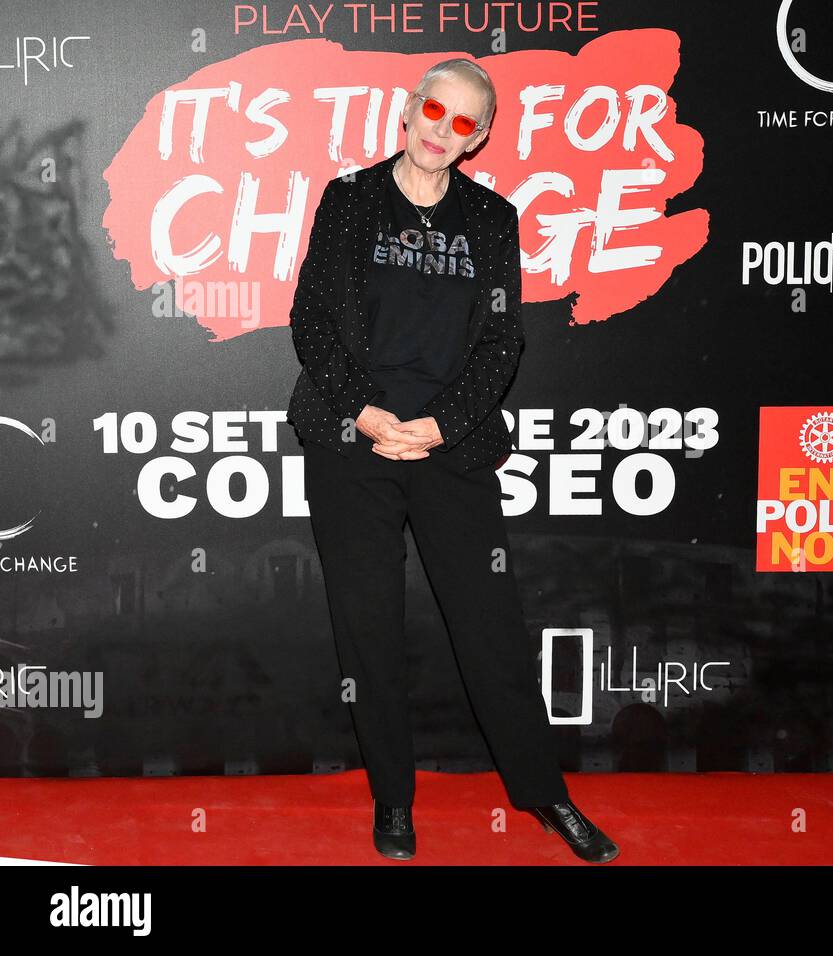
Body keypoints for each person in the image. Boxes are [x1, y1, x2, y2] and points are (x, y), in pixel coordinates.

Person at [286, 57, 618, 864]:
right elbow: (311, 319)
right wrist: (366, 415)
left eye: (466, 121)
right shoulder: (351, 200)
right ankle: (393, 802)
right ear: (409, 110)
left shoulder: (491, 220)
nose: (443, 129)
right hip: (353, 444)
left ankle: (545, 795)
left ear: (481, 138)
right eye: (435, 109)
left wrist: (436, 426)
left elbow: (504, 341)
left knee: (492, 630)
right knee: (369, 631)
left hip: (450, 447)